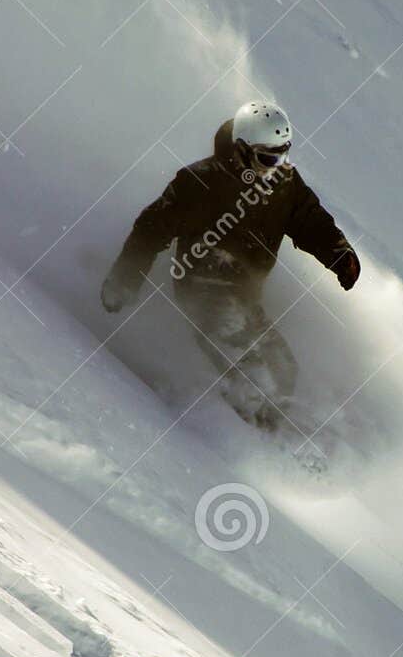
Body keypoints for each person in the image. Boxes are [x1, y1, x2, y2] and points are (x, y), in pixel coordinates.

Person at [100, 100, 360, 430]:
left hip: (244, 296)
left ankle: (273, 429)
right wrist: (124, 281)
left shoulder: (283, 183)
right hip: (204, 291)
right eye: (268, 156)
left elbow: (312, 222)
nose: (277, 164)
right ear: (241, 150)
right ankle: (234, 445)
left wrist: (340, 255)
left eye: (284, 153)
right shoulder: (199, 182)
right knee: (253, 374)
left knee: (284, 368)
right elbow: (151, 230)